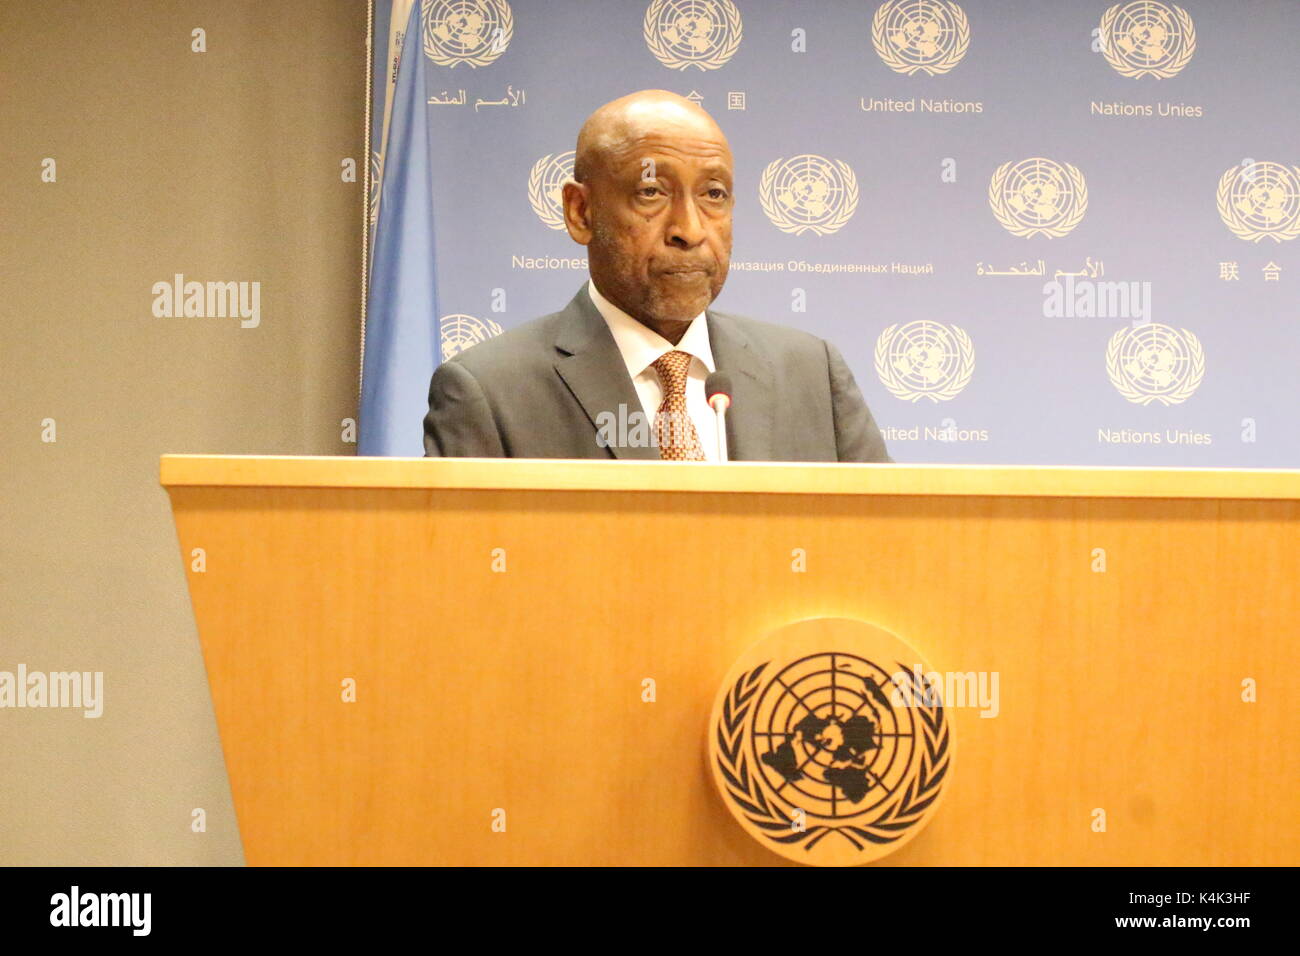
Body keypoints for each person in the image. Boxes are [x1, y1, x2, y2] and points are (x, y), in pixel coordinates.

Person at [423, 89, 892, 463]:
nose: (689, 230)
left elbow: (883, 548)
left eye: (713, 193)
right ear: (581, 211)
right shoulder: (488, 391)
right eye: (651, 192)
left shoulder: (811, 372)